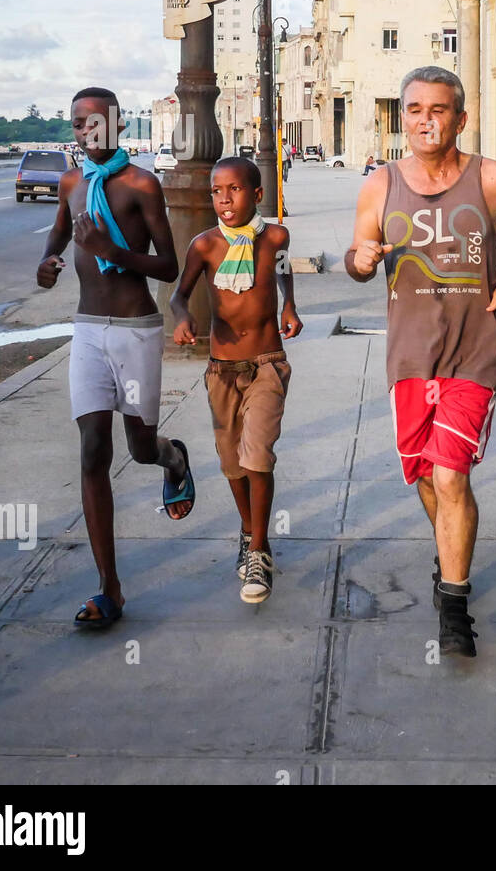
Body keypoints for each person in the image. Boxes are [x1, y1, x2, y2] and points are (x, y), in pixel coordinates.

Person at [345, 67, 496, 657]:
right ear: (402, 115)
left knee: (452, 475)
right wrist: (362, 256)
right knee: (427, 475)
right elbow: (357, 260)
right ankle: (449, 545)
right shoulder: (380, 184)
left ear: (460, 117)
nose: (425, 120)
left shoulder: (494, 177)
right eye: (414, 109)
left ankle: (453, 605)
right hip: (409, 356)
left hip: (474, 351)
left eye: (438, 109)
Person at [36, 87, 195, 630]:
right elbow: (60, 233)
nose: (85, 132)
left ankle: (173, 458)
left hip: (136, 332)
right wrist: (48, 261)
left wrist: (114, 254)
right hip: (87, 332)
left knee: (140, 446)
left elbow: (169, 267)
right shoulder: (71, 182)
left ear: (116, 125)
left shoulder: (140, 184)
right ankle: (109, 589)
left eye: (94, 122)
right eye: (77, 123)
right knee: (92, 452)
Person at [170, 157, 302, 602]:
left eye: (235, 190)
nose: (224, 199)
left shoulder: (276, 237)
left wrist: (289, 306)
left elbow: (283, 272)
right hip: (221, 370)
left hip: (266, 361)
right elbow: (178, 293)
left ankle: (260, 550)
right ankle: (248, 531)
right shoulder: (205, 245)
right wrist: (183, 316)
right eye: (216, 191)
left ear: (258, 195)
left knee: (257, 455)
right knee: (233, 464)